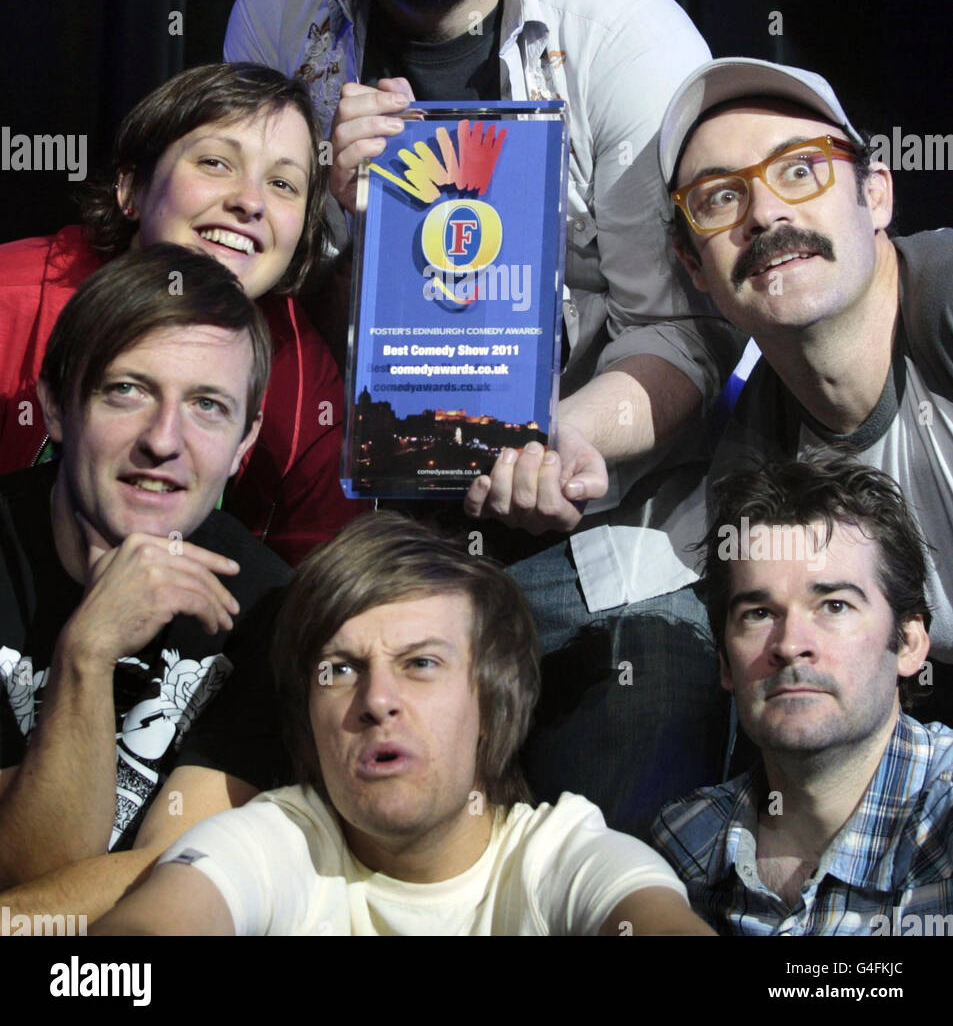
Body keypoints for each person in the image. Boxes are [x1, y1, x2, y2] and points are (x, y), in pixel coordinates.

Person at [225, 0, 740, 832]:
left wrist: (565, 433)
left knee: (618, 837)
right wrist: (321, 210)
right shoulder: (278, 20)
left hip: (600, 555)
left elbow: (692, 331)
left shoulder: (623, 34)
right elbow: (235, 308)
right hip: (359, 547)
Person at [92, 511, 712, 937]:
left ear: (491, 704)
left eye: (421, 663)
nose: (378, 700)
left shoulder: (563, 858)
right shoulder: (275, 843)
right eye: (340, 669)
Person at [0, 245, 293, 926]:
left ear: (244, 442)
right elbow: (30, 862)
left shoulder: (268, 611)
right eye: (126, 391)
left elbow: (184, 874)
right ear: (53, 407)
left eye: (207, 406)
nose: (163, 440)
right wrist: (88, 648)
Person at [659, 55, 953, 698]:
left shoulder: (946, 300)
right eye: (722, 197)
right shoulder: (754, 466)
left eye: (800, 170)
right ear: (694, 264)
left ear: (875, 194)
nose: (764, 214)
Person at [0, 61, 362, 564]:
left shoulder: (309, 389)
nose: (250, 202)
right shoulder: (8, 302)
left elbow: (322, 592)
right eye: (216, 163)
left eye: (283, 184)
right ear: (132, 188)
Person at [652, 452, 953, 937]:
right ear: (725, 662)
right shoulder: (685, 841)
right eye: (758, 613)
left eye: (833, 605)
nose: (791, 645)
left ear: (910, 643)